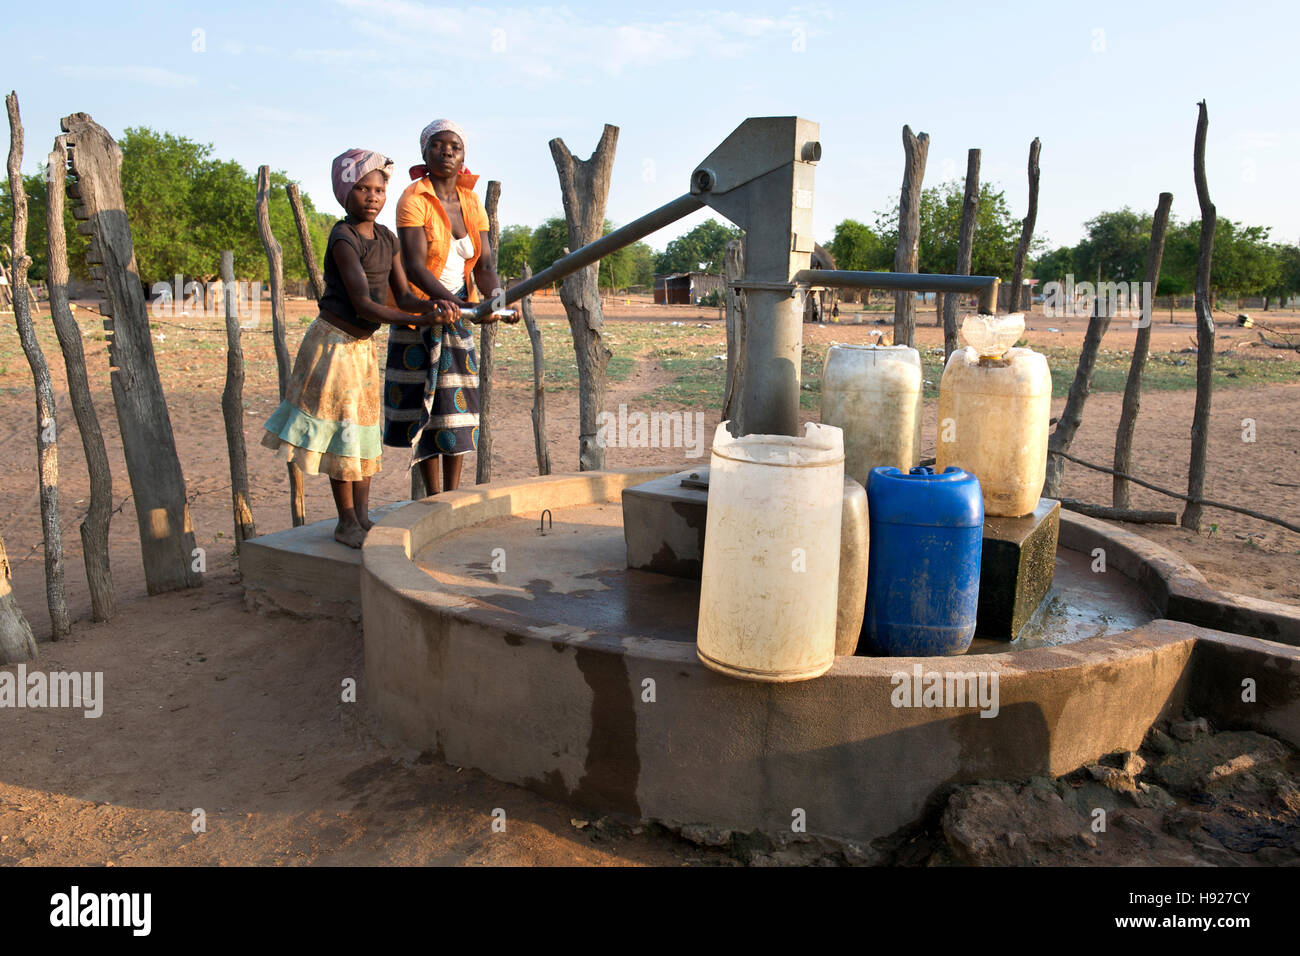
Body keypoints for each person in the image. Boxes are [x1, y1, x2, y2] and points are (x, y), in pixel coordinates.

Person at [263, 148, 457, 548]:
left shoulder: (386, 238)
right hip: (334, 346)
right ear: (344, 193)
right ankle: (345, 520)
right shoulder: (343, 238)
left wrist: (434, 305)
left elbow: (402, 295)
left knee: (364, 433)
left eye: (379, 190)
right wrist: (424, 320)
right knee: (343, 435)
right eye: (363, 189)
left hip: (362, 348)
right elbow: (363, 304)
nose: (373, 197)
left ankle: (363, 518)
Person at [383, 119, 518, 496]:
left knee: (455, 407)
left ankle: (452, 495)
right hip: (420, 311)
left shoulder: (472, 203)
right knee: (425, 408)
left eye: (454, 147)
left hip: (460, 311)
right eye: (438, 145)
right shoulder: (414, 198)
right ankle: (433, 496)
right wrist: (453, 303)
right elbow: (413, 265)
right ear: (424, 153)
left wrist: (499, 300)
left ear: (464, 156)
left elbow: (486, 266)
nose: (447, 152)